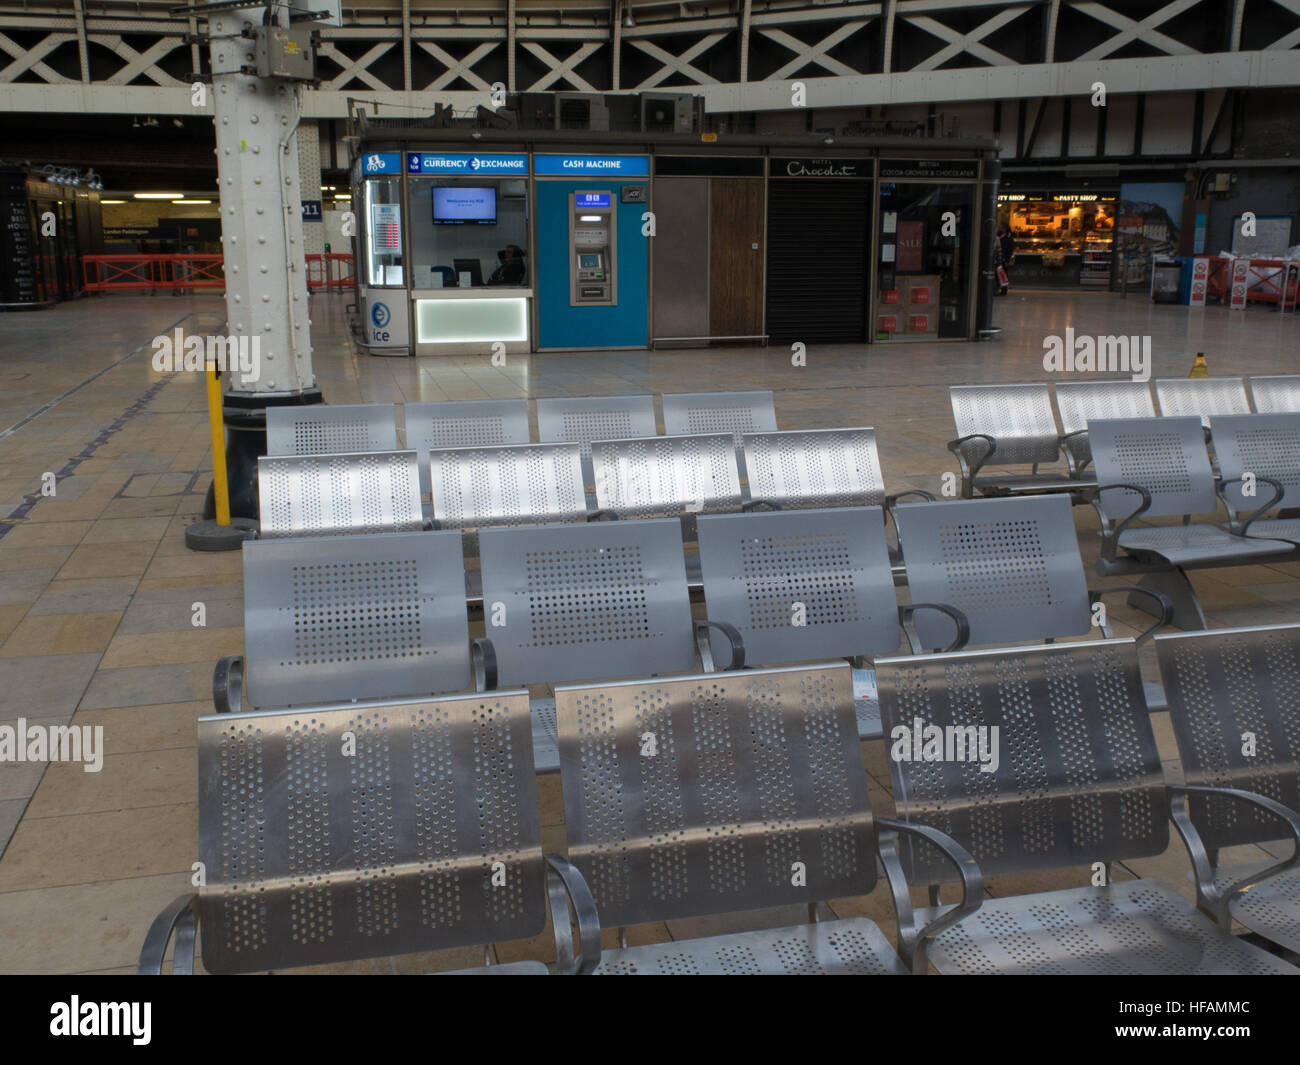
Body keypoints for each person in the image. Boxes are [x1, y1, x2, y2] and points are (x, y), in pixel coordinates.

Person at [995, 223, 1015, 296]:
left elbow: (1009, 249)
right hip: (999, 258)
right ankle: (999, 288)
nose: (1000, 228)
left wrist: (1007, 259)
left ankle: (1003, 289)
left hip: (1003, 259)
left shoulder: (1008, 237)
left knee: (1002, 273)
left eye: (1001, 227)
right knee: (999, 273)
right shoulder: (999, 235)